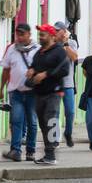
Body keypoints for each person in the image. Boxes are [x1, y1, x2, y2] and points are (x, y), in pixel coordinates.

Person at [27, 24, 70, 165]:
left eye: (43, 34)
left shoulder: (59, 51)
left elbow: (64, 70)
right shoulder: (40, 52)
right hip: (39, 93)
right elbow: (34, 65)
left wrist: (46, 74)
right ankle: (48, 153)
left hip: (53, 92)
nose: (40, 37)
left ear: (51, 36)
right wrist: (32, 70)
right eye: (40, 34)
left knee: (50, 121)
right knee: (43, 123)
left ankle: (51, 155)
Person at [0, 22, 39, 162]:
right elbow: (5, 70)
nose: (20, 37)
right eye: (18, 34)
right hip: (15, 92)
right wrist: (1, 88)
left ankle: (30, 151)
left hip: (32, 92)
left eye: (22, 34)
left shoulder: (37, 49)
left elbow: (44, 67)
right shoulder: (11, 49)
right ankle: (15, 150)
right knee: (16, 120)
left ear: (29, 34)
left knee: (32, 122)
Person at [54, 21, 80, 147]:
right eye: (55, 30)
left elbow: (74, 58)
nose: (55, 32)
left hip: (68, 83)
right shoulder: (52, 43)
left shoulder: (72, 43)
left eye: (58, 30)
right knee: (55, 112)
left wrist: (65, 44)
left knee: (70, 112)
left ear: (64, 31)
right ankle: (55, 139)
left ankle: (68, 133)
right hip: (55, 84)